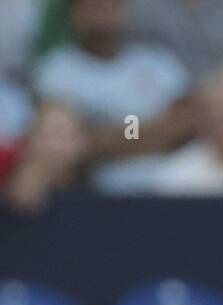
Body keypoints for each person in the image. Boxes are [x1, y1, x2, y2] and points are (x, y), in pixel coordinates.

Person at [32, 0, 193, 194]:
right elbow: (69, 144)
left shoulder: (158, 63)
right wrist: (148, 134)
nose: (104, 13)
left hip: (166, 189)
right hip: (89, 193)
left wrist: (109, 137)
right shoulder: (56, 71)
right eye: (95, 6)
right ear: (76, 15)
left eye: (113, 5)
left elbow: (185, 124)